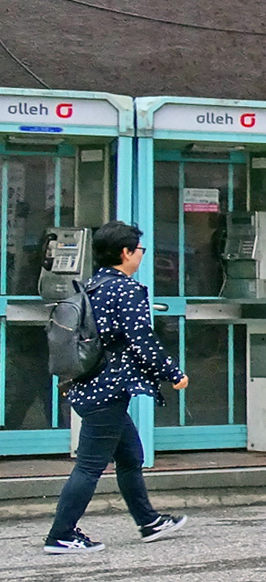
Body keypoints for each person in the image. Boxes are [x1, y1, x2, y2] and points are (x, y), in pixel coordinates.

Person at [45, 223, 188, 555]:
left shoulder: (93, 285)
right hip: (106, 391)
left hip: (90, 384)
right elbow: (142, 340)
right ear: (126, 253)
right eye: (139, 249)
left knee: (130, 456)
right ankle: (61, 535)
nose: (141, 255)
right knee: (89, 466)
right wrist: (172, 372)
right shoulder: (125, 289)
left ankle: (149, 521)